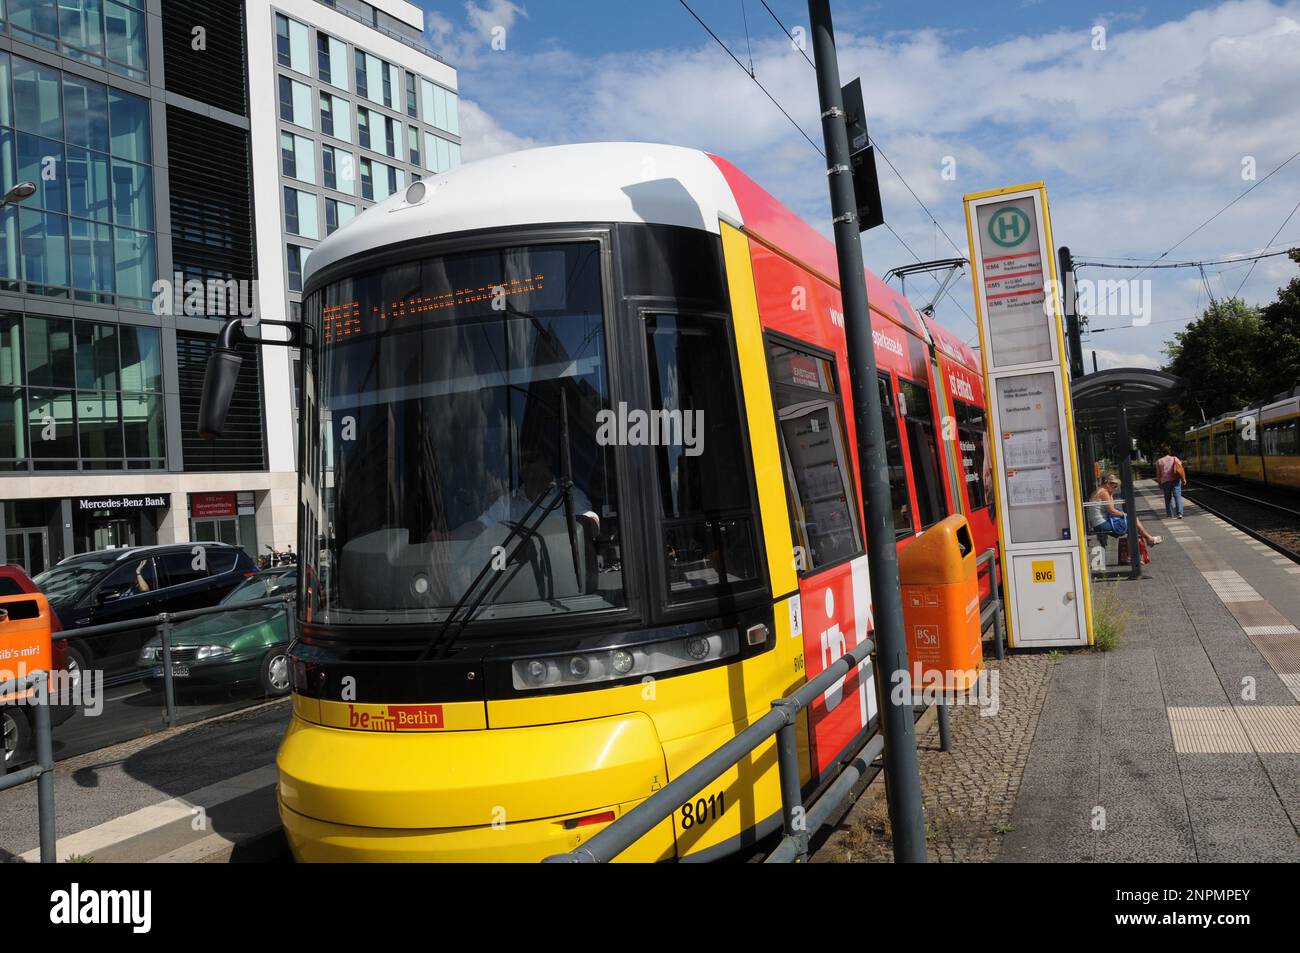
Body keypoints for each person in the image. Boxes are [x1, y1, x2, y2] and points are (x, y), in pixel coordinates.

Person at [1090, 473, 1160, 546]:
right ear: (1108, 483)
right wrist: (1124, 515)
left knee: (1133, 520)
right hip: (1102, 524)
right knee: (1133, 526)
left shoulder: (1099, 490)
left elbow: (1111, 509)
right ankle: (1146, 541)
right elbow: (1112, 511)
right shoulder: (1104, 493)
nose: (1116, 488)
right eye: (1115, 486)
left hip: (1098, 523)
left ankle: (1149, 539)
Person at [1154, 444, 1186, 519]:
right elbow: (1180, 469)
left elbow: (1158, 474)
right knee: (1177, 496)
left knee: (1168, 498)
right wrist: (1183, 479)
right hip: (1176, 480)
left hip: (1165, 481)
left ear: (1162, 453)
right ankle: (1179, 513)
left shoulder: (1159, 461)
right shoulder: (1175, 458)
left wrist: (1159, 482)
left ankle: (1170, 514)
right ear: (1169, 452)